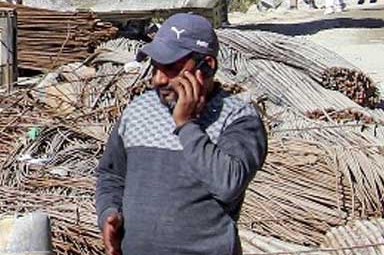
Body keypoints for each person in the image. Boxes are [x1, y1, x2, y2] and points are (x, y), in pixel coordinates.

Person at [96, 14, 267, 255]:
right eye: (155, 67)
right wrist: (108, 212)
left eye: (172, 68)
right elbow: (111, 175)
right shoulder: (137, 111)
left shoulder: (238, 119)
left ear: (206, 66)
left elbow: (228, 184)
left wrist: (187, 125)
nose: (158, 79)